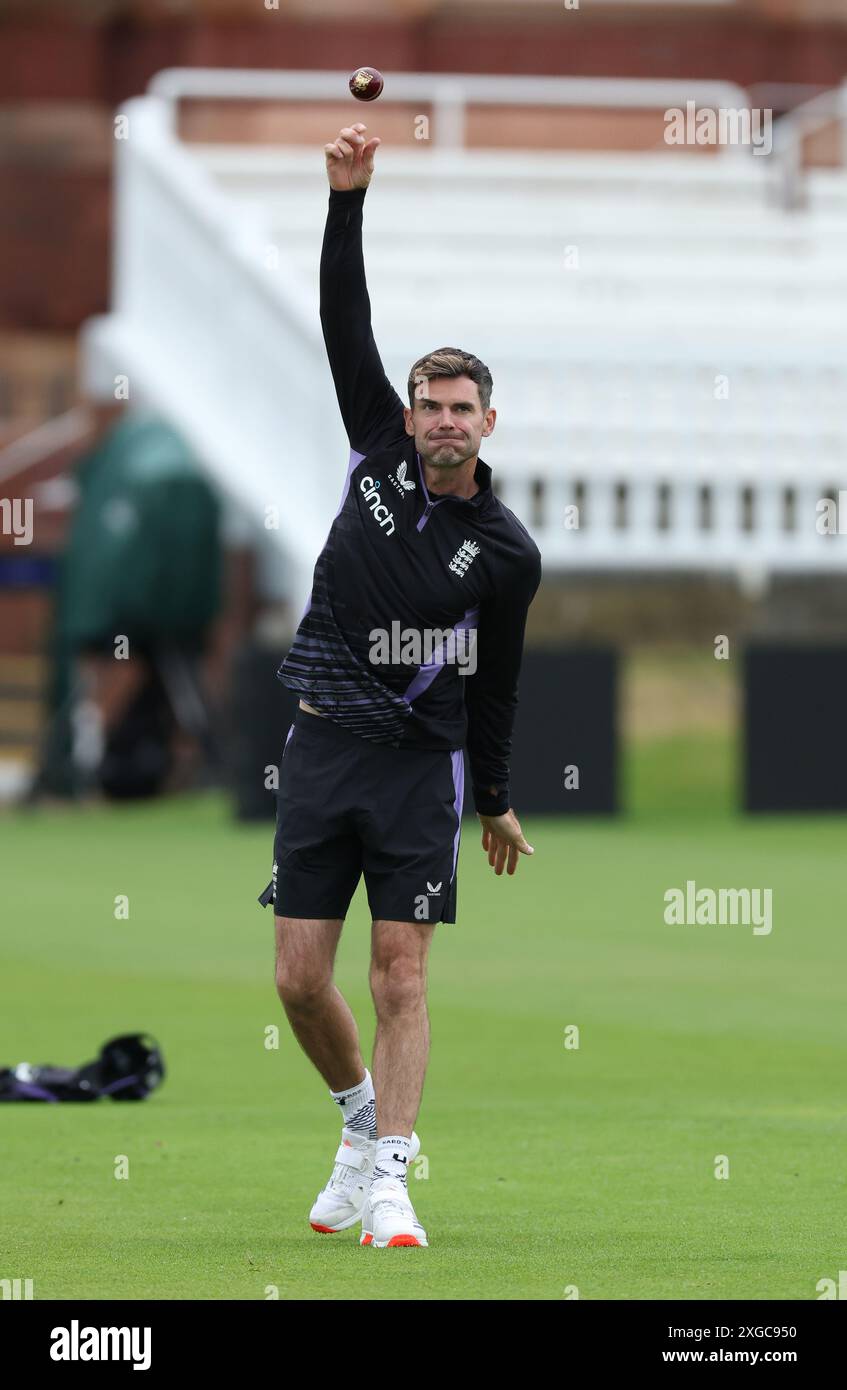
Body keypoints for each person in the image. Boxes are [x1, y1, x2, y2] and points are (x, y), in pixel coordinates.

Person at [257, 123, 542, 1248]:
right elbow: (344, 322)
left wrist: (498, 795)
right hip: (322, 743)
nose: (439, 421)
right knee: (294, 980)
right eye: (429, 403)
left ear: (486, 423)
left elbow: (501, 682)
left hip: (421, 764)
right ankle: (360, 1122)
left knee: (398, 972)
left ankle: (390, 1181)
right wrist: (347, 198)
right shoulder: (374, 444)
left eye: (459, 407)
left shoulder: (508, 553)